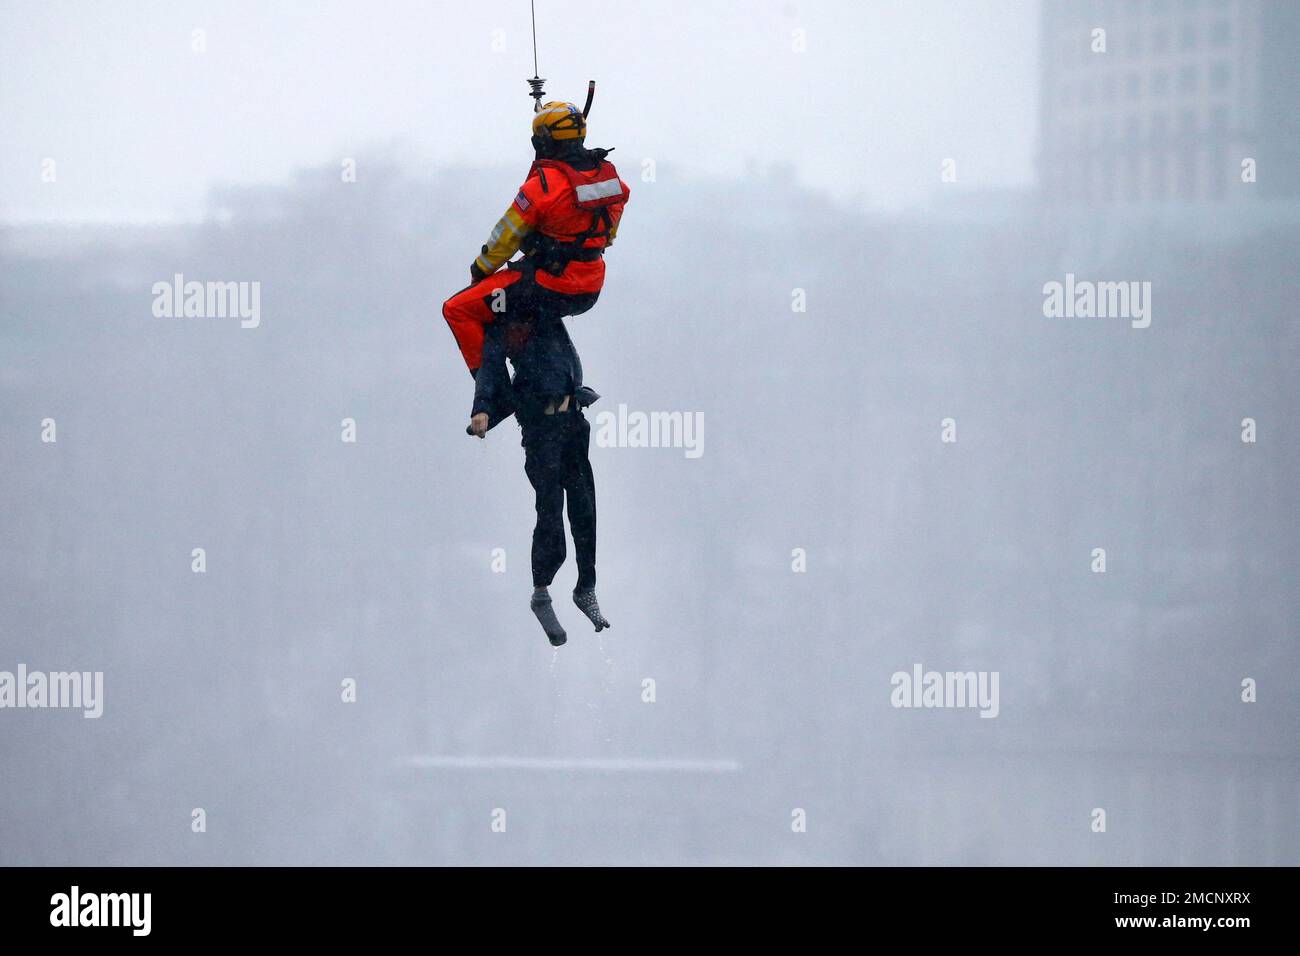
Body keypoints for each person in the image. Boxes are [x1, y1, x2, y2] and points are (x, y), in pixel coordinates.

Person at [441, 99, 630, 646]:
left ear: (542, 142)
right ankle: (568, 588)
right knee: (570, 504)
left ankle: (493, 395)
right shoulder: (609, 177)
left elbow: (509, 229)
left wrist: (484, 268)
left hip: (543, 289)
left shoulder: (543, 184)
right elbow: (598, 231)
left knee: (460, 306)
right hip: (585, 289)